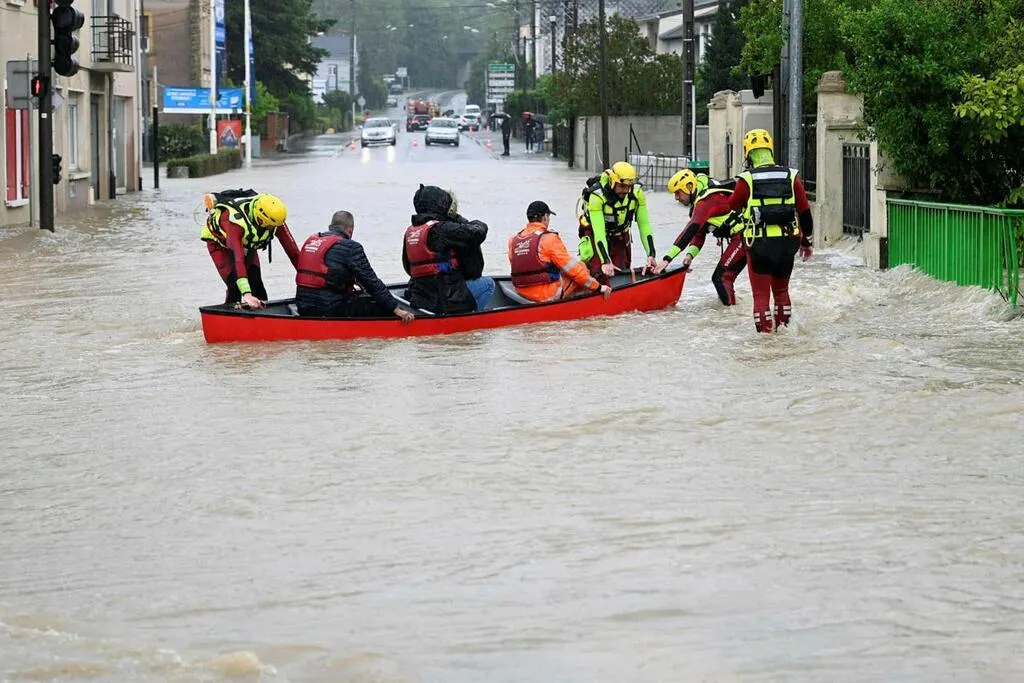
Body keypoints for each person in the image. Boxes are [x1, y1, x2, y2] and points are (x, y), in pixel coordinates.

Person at [714, 129, 813, 333]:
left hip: (760, 245)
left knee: (760, 296)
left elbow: (733, 205)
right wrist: (806, 242)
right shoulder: (791, 175)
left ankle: (765, 341)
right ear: (770, 150)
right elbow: (804, 211)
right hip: (788, 243)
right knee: (782, 291)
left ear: (748, 153)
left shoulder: (746, 179)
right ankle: (785, 332)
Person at [295, 210, 414, 323]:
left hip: (302, 306)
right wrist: (395, 309)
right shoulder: (351, 247)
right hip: (328, 309)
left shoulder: (311, 241)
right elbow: (371, 281)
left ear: (330, 226)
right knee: (376, 304)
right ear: (350, 230)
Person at [654, 169, 747, 306]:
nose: (676, 198)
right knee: (722, 278)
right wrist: (690, 256)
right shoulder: (701, 199)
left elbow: (690, 230)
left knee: (721, 278)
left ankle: (731, 316)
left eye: (678, 192)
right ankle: (731, 312)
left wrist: (667, 259)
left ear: (690, 187)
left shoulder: (705, 202)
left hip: (744, 237)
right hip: (742, 237)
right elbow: (699, 235)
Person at [402, 185, 495, 314]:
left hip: (420, 297)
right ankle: (471, 319)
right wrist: (463, 219)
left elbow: (408, 267)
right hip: (445, 299)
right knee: (489, 284)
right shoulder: (443, 229)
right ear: (440, 204)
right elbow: (477, 233)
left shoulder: (411, 232)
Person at [201, 189, 299, 309]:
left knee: (257, 285)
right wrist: (247, 294)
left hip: (246, 243)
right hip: (220, 245)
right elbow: (237, 258)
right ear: (260, 218)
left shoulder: (275, 219)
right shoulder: (233, 222)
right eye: (269, 226)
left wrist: (306, 277)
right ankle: (228, 321)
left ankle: (262, 322)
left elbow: (293, 251)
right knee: (235, 286)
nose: (272, 229)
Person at [508, 201, 612, 303]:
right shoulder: (549, 239)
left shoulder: (514, 240)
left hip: (520, 292)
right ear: (545, 217)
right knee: (581, 267)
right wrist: (598, 287)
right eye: (548, 217)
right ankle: (587, 303)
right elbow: (574, 270)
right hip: (545, 295)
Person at [577, 161, 657, 281]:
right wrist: (605, 261)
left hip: (620, 235)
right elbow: (599, 232)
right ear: (612, 181)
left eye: (628, 187)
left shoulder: (637, 194)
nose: (625, 191)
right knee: (598, 274)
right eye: (621, 186)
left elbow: (644, 225)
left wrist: (651, 254)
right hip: (596, 236)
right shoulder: (597, 197)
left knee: (622, 273)